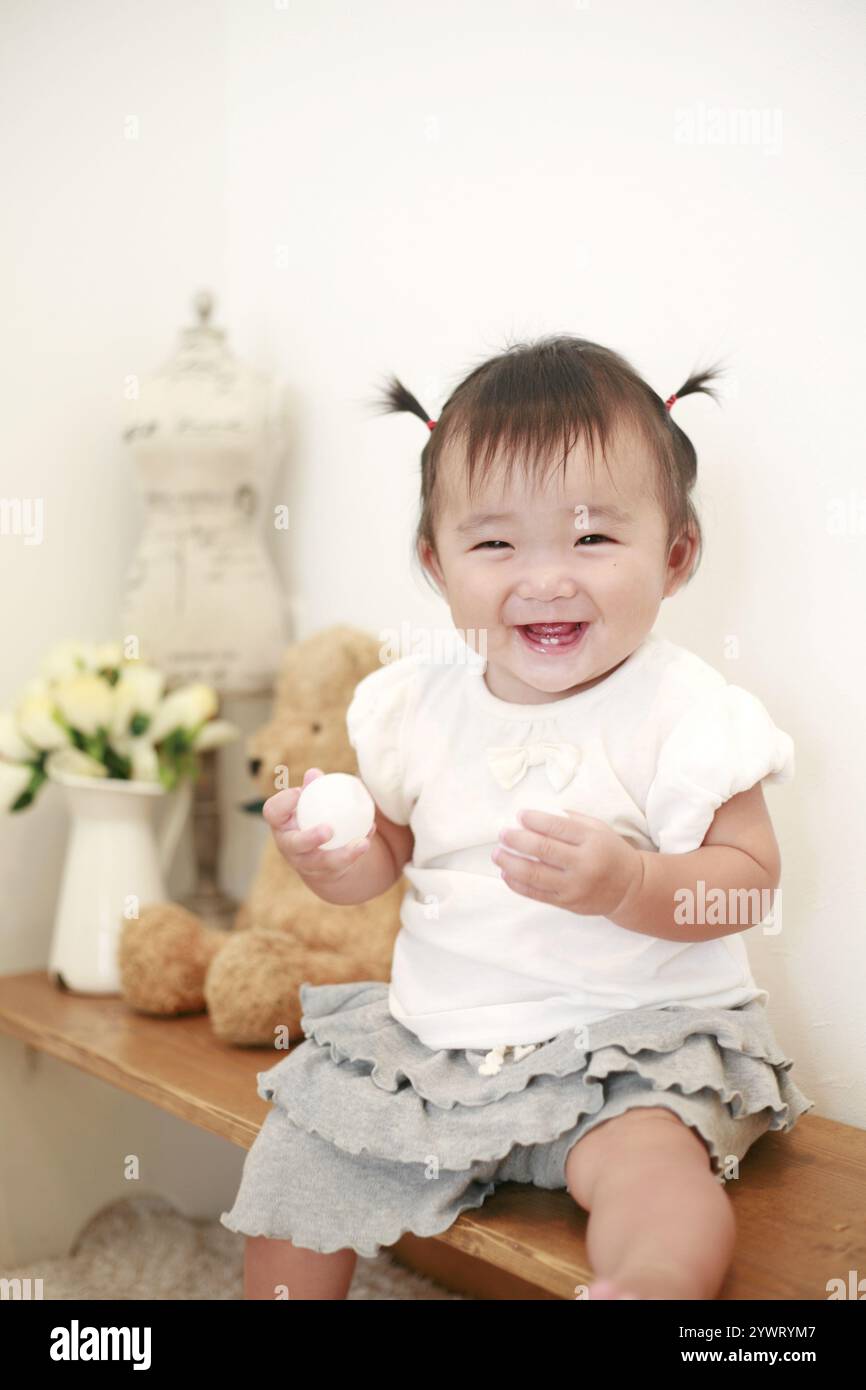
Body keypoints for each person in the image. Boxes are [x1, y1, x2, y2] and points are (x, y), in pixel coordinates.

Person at [220, 334, 814, 1301]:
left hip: (631, 1046)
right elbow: (393, 856)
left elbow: (748, 884)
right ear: (435, 560)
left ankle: (649, 1287)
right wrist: (339, 856)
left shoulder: (684, 711)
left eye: (591, 538)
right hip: (437, 1044)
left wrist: (631, 884)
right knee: (304, 1147)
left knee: (655, 1170)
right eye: (495, 543)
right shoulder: (415, 705)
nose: (544, 578)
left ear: (675, 554)